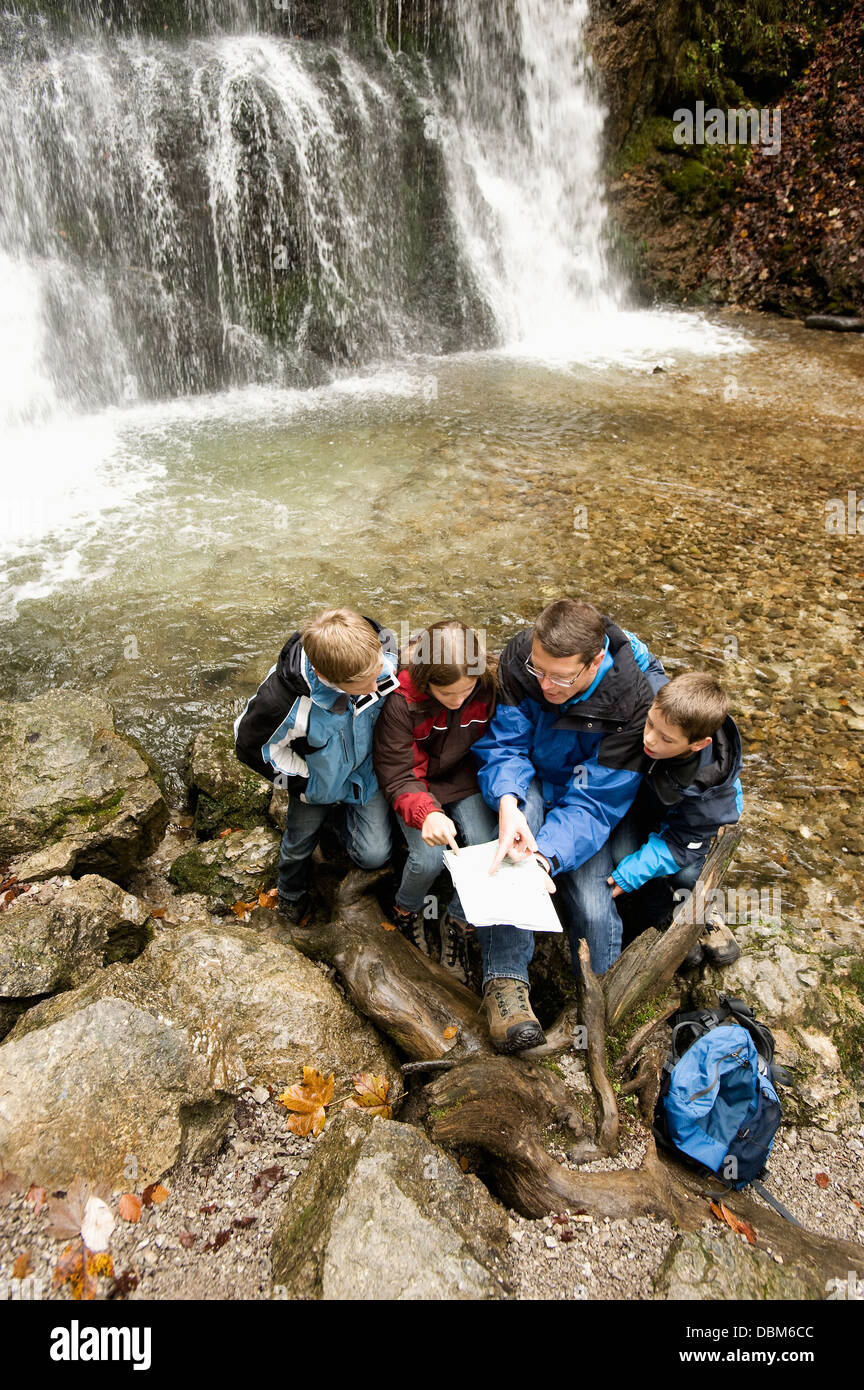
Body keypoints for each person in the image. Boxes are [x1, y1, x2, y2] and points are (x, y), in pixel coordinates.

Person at [472, 598, 663, 1054]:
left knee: (594, 909)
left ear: (594, 661)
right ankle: (506, 988)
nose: (546, 685)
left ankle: (598, 1005)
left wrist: (547, 854)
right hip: (532, 777)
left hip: (586, 804)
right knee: (507, 857)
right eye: (540, 671)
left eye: (560, 677)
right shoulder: (524, 661)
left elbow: (598, 802)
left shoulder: (634, 702)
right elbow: (504, 744)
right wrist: (508, 801)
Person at [234, 607, 399, 922]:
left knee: (374, 855)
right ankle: (291, 894)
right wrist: (304, 782)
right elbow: (251, 747)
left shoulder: (379, 653)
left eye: (378, 671)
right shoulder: (281, 701)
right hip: (317, 782)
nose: (376, 686)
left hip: (366, 773)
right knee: (297, 845)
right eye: (365, 685)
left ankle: (338, 824)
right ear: (328, 678)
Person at [373, 620, 498, 984]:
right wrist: (427, 813)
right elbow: (397, 772)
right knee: (428, 857)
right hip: (417, 784)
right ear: (427, 682)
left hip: (465, 779)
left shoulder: (489, 681)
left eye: (466, 691)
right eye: (447, 694)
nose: (459, 700)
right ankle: (406, 911)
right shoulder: (401, 701)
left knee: (487, 848)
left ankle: (458, 921)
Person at [598, 671, 743, 967]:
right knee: (622, 854)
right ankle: (664, 913)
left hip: (687, 828)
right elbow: (638, 656)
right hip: (645, 804)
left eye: (665, 738)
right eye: (650, 723)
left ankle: (698, 910)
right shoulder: (659, 695)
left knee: (686, 873)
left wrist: (634, 873)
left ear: (698, 744)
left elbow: (680, 844)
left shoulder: (711, 794)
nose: (649, 738)